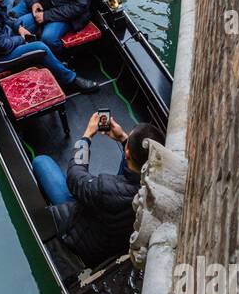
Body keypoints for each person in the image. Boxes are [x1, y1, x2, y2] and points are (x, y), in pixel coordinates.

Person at [33, 113, 163, 268]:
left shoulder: (105, 189)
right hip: (114, 232)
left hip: (82, 236)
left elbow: (76, 177)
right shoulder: (160, 184)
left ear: (128, 152)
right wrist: (123, 138)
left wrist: (87, 136)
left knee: (41, 162)